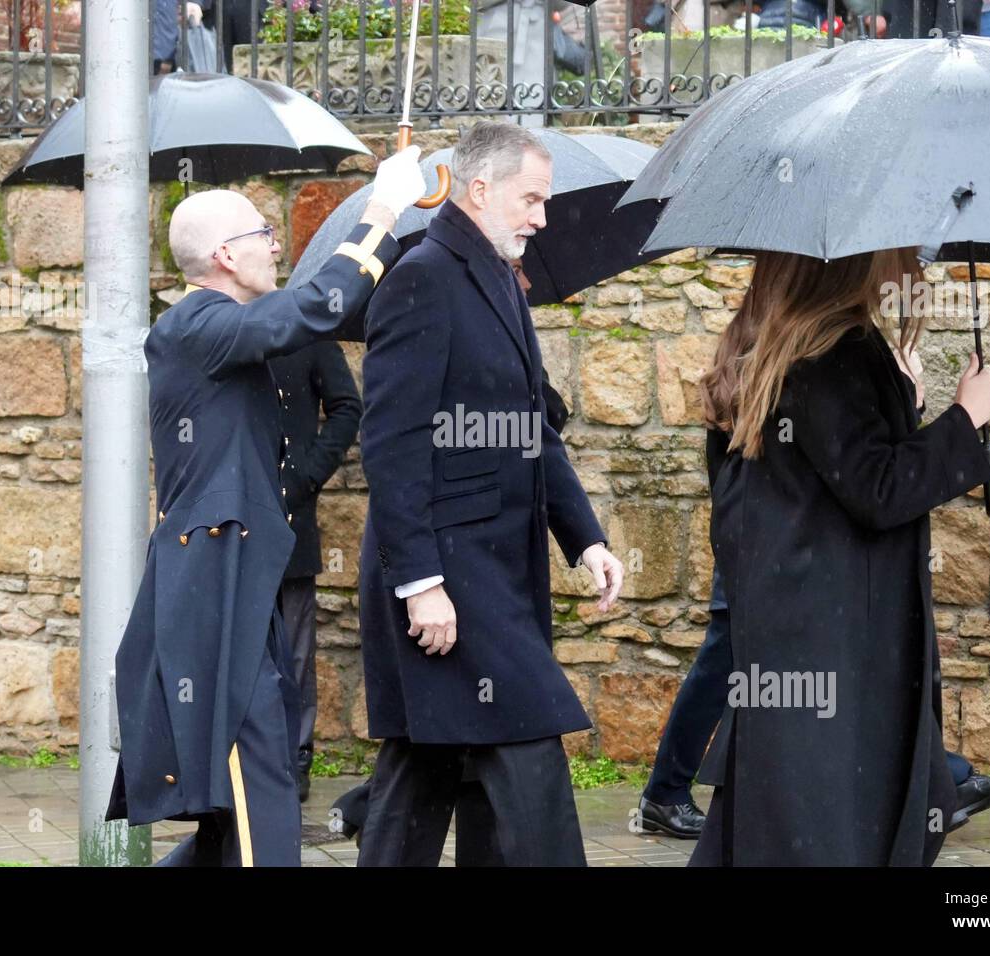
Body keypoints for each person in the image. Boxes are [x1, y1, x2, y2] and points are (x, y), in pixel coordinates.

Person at [104, 145, 427, 867]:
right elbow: (320, 304)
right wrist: (382, 209)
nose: (276, 243)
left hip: (239, 576)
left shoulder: (222, 331)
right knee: (261, 781)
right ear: (224, 253)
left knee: (244, 790)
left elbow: (313, 316)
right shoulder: (195, 327)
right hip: (216, 584)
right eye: (263, 233)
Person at [355, 121, 624, 867]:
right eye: (532, 199)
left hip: (498, 569)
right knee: (528, 740)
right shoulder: (420, 276)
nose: (542, 216)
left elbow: (532, 429)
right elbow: (392, 444)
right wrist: (420, 584)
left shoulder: (501, 277)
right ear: (480, 190)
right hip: (449, 576)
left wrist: (587, 538)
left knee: (425, 765)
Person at [690, 246, 990, 866]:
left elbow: (807, 480)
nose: (912, 264)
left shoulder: (763, 348)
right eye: (901, 251)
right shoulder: (835, 352)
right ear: (850, 263)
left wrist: (899, 409)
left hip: (793, 625)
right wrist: (965, 418)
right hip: (838, 635)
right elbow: (876, 490)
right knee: (827, 812)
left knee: (784, 806)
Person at [638, 565, 990, 839]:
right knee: (727, 662)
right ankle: (666, 794)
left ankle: (936, 779)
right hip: (761, 530)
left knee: (829, 669)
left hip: (782, 533)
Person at [267, 340, 363, 802]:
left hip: (289, 519)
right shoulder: (222, 326)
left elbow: (347, 408)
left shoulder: (307, 331)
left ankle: (294, 755)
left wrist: (303, 476)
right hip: (226, 518)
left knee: (294, 650)